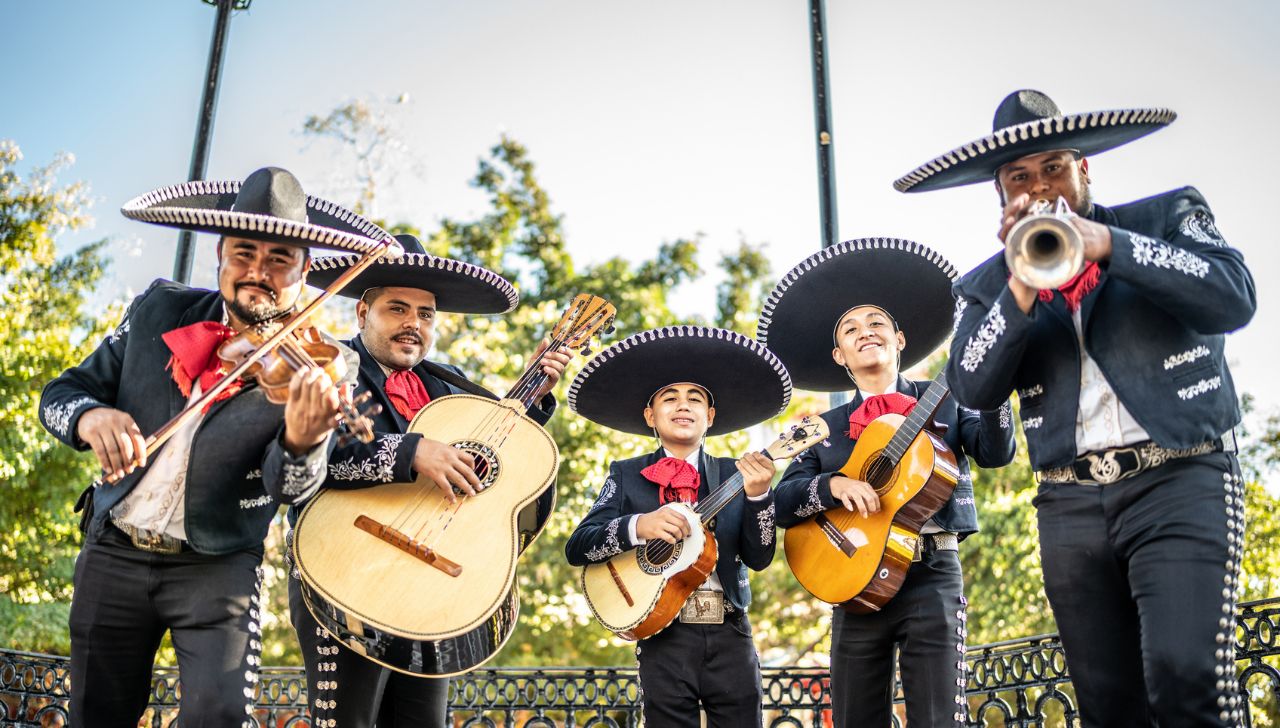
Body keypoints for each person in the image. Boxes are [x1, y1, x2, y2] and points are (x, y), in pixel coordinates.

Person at [896, 89, 1256, 727]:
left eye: (1054, 168)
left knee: (1186, 674)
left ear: (1083, 169)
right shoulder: (985, 285)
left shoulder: (1168, 215)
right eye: (1019, 178)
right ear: (1003, 197)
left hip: (1181, 477)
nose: (1040, 188)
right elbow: (972, 385)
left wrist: (1106, 244)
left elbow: (1233, 297)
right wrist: (1019, 287)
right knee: (1105, 702)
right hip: (1069, 503)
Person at [39, 167, 391, 727]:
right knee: (94, 714)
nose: (257, 272)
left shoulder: (329, 365)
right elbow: (60, 394)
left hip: (219, 563)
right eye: (243, 253)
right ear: (220, 258)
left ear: (304, 272)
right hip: (115, 550)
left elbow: (291, 485)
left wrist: (303, 439)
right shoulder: (157, 309)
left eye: (279, 259)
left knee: (221, 715)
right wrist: (90, 416)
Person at [285, 233, 570, 727]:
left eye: (425, 314)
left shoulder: (448, 382)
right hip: (344, 566)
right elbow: (315, 458)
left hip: (429, 588)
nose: (413, 323)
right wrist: (411, 451)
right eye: (397, 309)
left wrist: (533, 393)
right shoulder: (328, 369)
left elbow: (490, 459)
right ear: (362, 314)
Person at [759, 239, 1015, 726]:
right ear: (840, 355)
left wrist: (995, 386)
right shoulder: (823, 426)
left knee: (940, 718)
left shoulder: (949, 398)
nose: (865, 332)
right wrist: (832, 485)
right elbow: (784, 502)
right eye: (851, 330)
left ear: (900, 339)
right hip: (851, 579)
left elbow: (996, 454)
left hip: (933, 572)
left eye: (877, 323)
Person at [564, 325, 791, 727]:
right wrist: (639, 526)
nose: (683, 405)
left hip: (730, 631)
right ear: (651, 415)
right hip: (662, 635)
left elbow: (760, 557)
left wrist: (759, 497)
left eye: (695, 399)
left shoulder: (735, 473)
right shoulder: (627, 474)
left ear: (710, 416)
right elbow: (578, 545)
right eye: (670, 397)